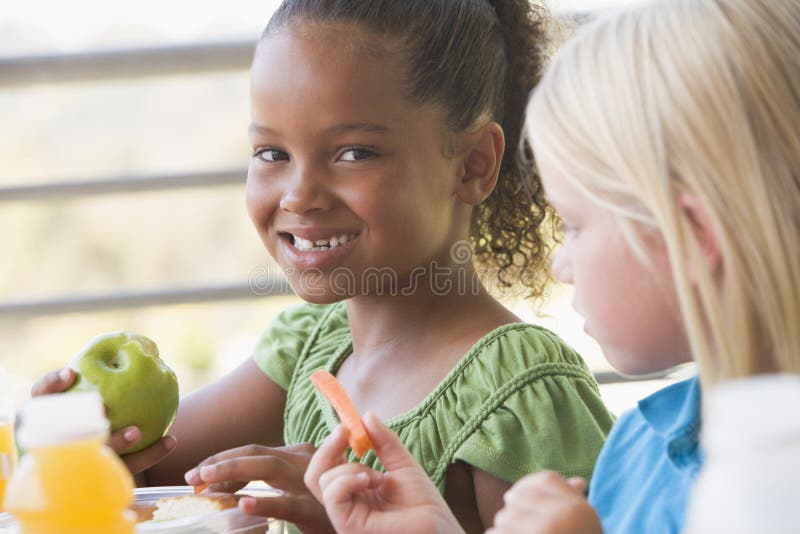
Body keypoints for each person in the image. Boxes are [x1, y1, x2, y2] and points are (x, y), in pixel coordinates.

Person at [31, 1, 616, 531]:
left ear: (472, 165)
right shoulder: (308, 351)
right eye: (271, 154)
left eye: (354, 153)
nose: (298, 195)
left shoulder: (518, 397)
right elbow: (143, 481)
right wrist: (76, 444)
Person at [304, 0, 800, 532]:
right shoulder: (635, 452)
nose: (562, 265)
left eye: (576, 225)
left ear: (692, 236)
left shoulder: (771, 479)